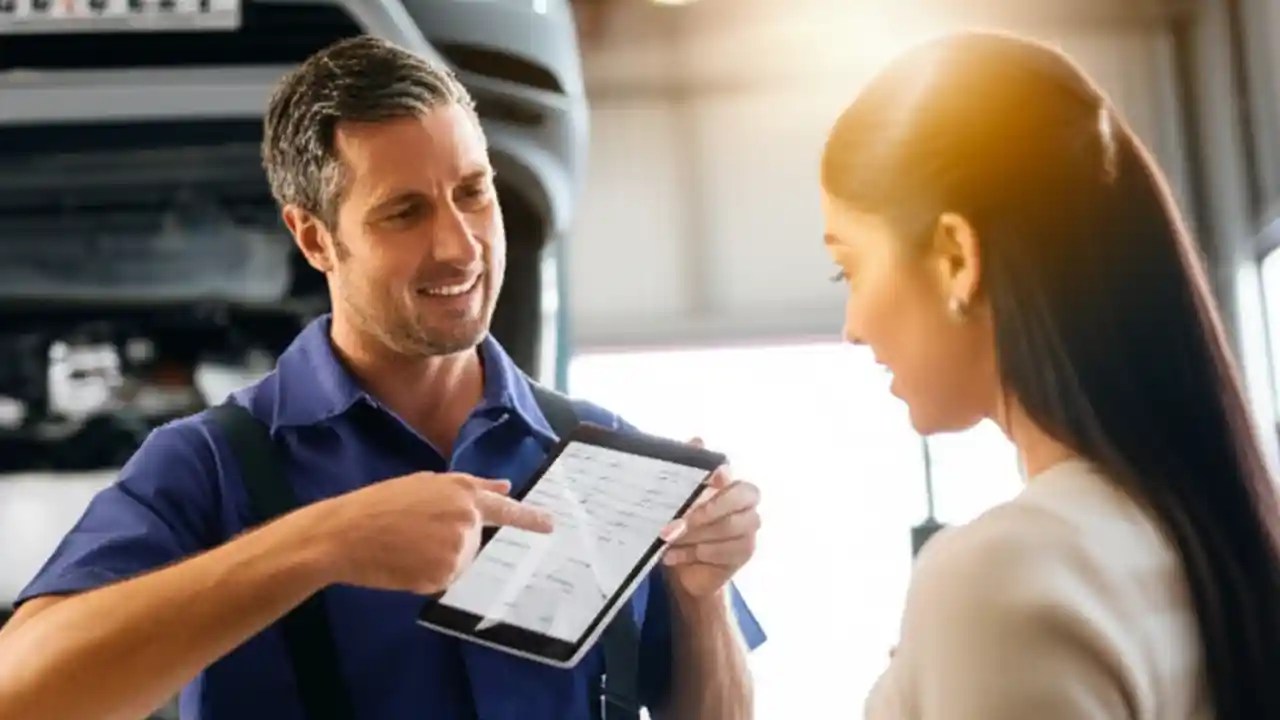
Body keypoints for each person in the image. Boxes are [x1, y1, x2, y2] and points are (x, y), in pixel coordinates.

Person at [0, 36, 765, 720]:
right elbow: (23, 694)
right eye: (403, 213)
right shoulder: (212, 467)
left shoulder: (604, 457)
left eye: (473, 191)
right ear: (314, 237)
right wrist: (322, 543)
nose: (460, 247)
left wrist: (701, 600)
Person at [819, 31, 1280, 719]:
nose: (852, 326)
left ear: (954, 257)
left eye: (849, 268)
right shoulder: (1210, 540)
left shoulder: (1003, 572)